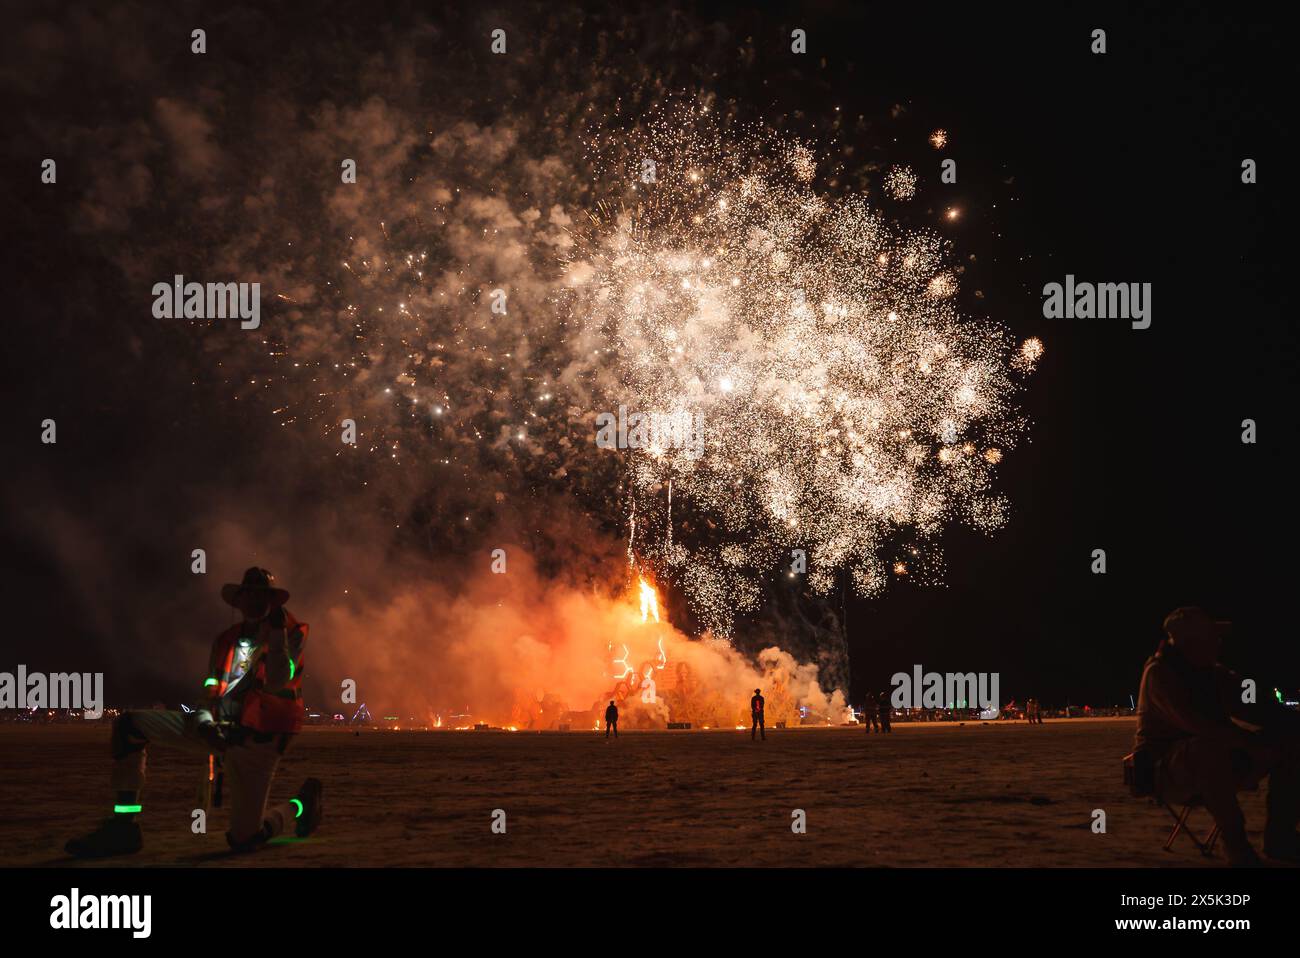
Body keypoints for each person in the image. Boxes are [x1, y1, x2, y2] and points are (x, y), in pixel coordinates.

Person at [66, 567, 323, 858]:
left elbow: (278, 680)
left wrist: (277, 636)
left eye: (262, 595)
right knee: (129, 726)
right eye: (249, 594)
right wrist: (204, 723)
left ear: (273, 602)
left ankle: (299, 805)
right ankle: (123, 826)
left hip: (257, 741)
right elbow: (211, 688)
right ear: (238, 600)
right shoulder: (226, 640)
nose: (254, 600)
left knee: (244, 839)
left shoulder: (291, 633)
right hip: (219, 731)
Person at [1135, 606, 1300, 866]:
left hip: (1220, 756)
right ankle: (1236, 846)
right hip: (1166, 769)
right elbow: (1196, 724)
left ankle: (1280, 836)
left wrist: (1288, 721)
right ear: (1190, 643)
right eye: (1212, 637)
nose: (1218, 643)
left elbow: (1252, 705)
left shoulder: (1212, 673)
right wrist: (1249, 745)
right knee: (1206, 749)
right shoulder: (1160, 673)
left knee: (1291, 740)